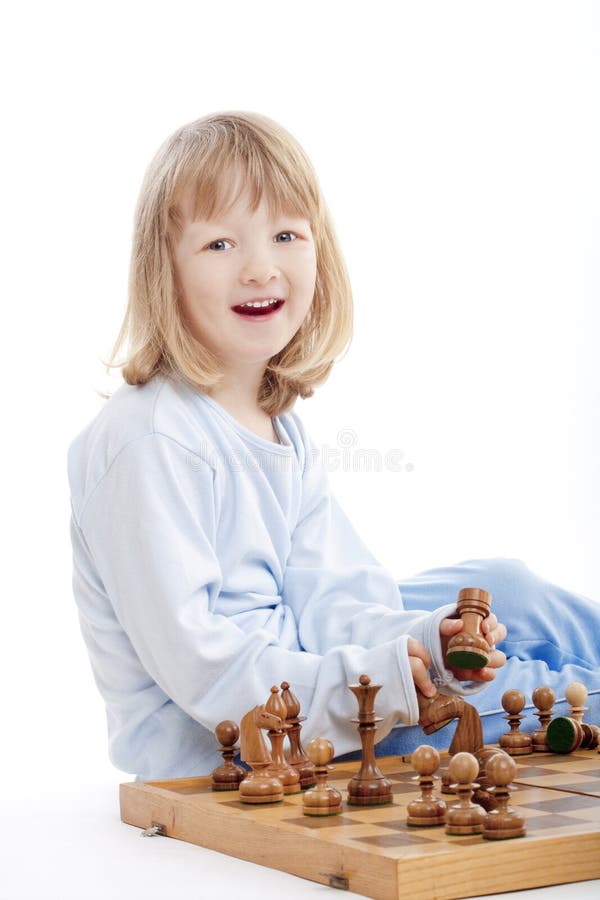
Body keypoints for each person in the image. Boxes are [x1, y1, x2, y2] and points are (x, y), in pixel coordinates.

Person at [67, 111, 600, 781]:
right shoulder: (147, 441)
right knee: (547, 699)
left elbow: (331, 598)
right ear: (163, 269)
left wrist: (422, 641)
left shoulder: (275, 421)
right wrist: (385, 681)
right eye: (220, 244)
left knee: (505, 588)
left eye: (285, 235)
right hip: (254, 744)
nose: (260, 268)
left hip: (310, 672)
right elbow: (209, 675)